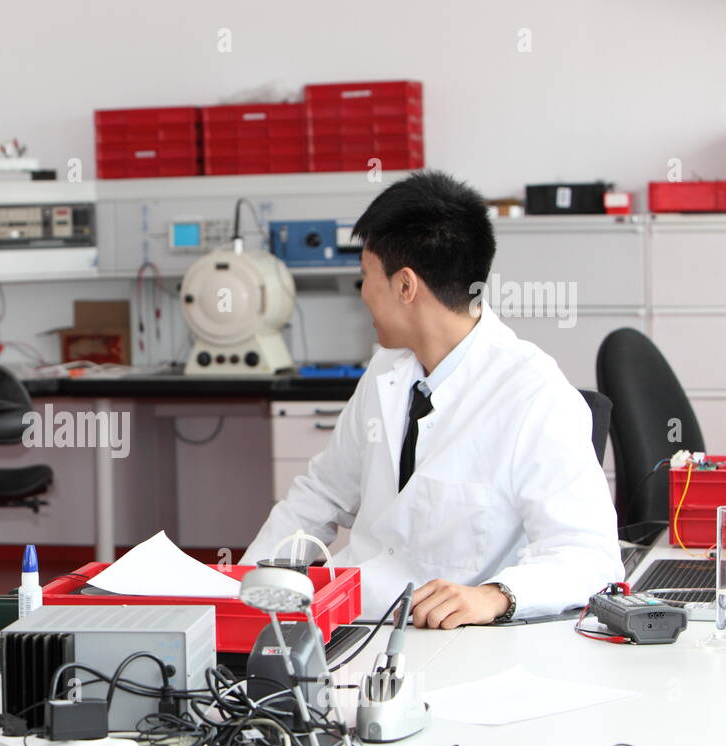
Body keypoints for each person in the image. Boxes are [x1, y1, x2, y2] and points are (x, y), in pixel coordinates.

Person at [242, 171, 622, 627]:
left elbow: (590, 555)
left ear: (406, 286)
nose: (361, 293)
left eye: (365, 276)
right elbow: (322, 493)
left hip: (455, 645)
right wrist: (247, 586)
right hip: (355, 621)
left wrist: (499, 595)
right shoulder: (388, 368)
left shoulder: (534, 394)